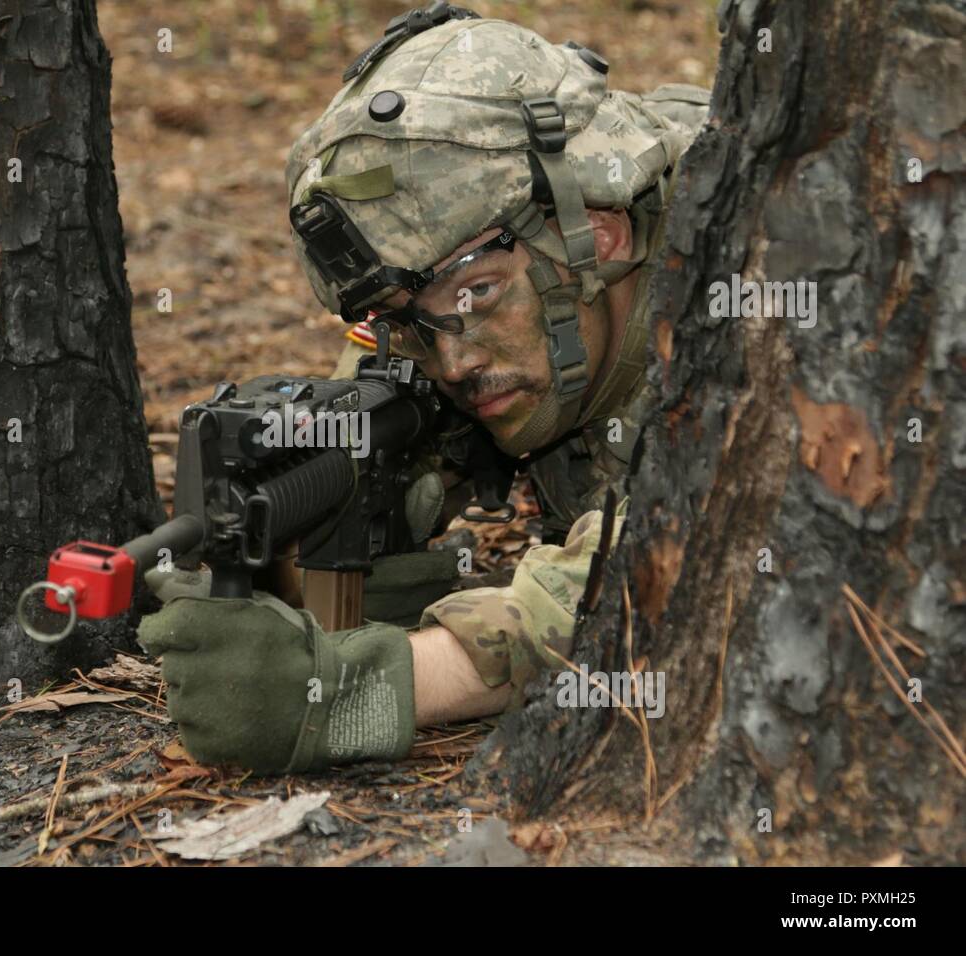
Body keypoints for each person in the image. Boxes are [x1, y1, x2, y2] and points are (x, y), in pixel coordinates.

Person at [138, 7, 708, 773]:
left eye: (476, 295)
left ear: (596, 235)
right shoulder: (476, 330)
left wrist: (364, 687)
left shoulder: (739, 291)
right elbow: (380, 404)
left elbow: (684, 568)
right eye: (404, 322)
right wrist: (310, 541)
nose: (452, 362)